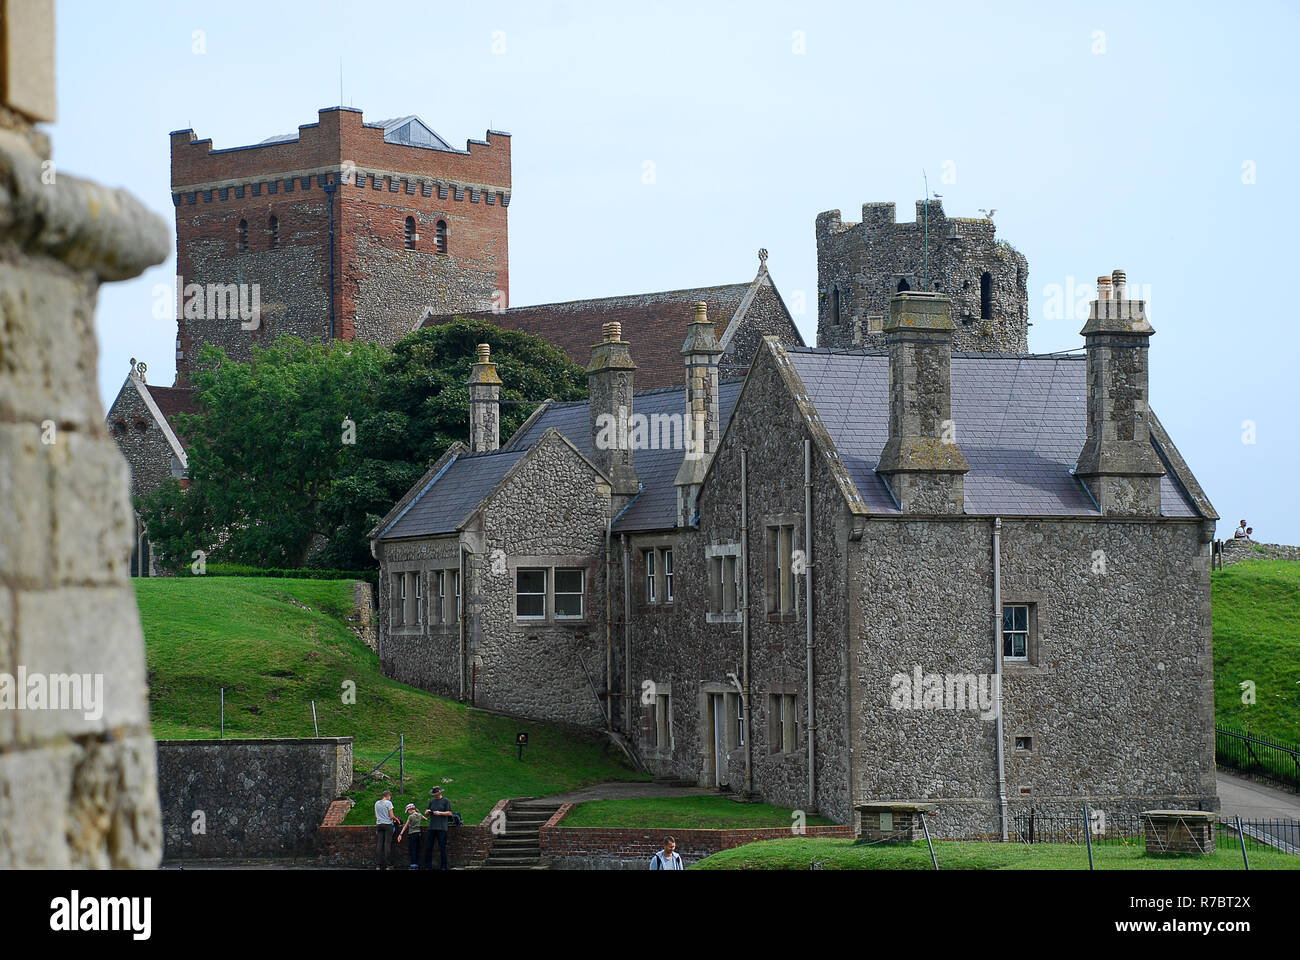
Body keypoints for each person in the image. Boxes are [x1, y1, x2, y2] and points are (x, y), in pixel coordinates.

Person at [423, 786, 453, 871]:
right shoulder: (432, 801)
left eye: (436, 794)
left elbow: (450, 813)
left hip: (441, 827)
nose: (435, 796)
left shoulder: (446, 801)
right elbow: (427, 810)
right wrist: (427, 812)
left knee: (442, 847)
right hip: (432, 827)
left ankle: (444, 866)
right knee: (428, 847)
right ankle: (427, 866)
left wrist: (440, 813)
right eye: (434, 794)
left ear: (440, 793)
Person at [374, 789, 400, 870]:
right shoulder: (388, 803)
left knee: (379, 844)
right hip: (388, 825)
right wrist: (397, 819)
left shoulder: (377, 803)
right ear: (388, 796)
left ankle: (378, 865)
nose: (390, 798)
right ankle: (388, 865)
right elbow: (391, 816)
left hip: (379, 824)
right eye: (390, 797)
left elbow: (375, 815)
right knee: (387, 844)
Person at [398, 802, 425, 870]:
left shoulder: (410, 816)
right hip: (418, 833)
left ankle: (413, 865)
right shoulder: (419, 815)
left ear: (410, 809)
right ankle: (417, 864)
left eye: (408, 811)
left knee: (412, 849)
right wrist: (419, 817)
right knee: (417, 849)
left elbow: (406, 826)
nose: (407, 812)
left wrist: (400, 834)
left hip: (412, 834)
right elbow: (425, 819)